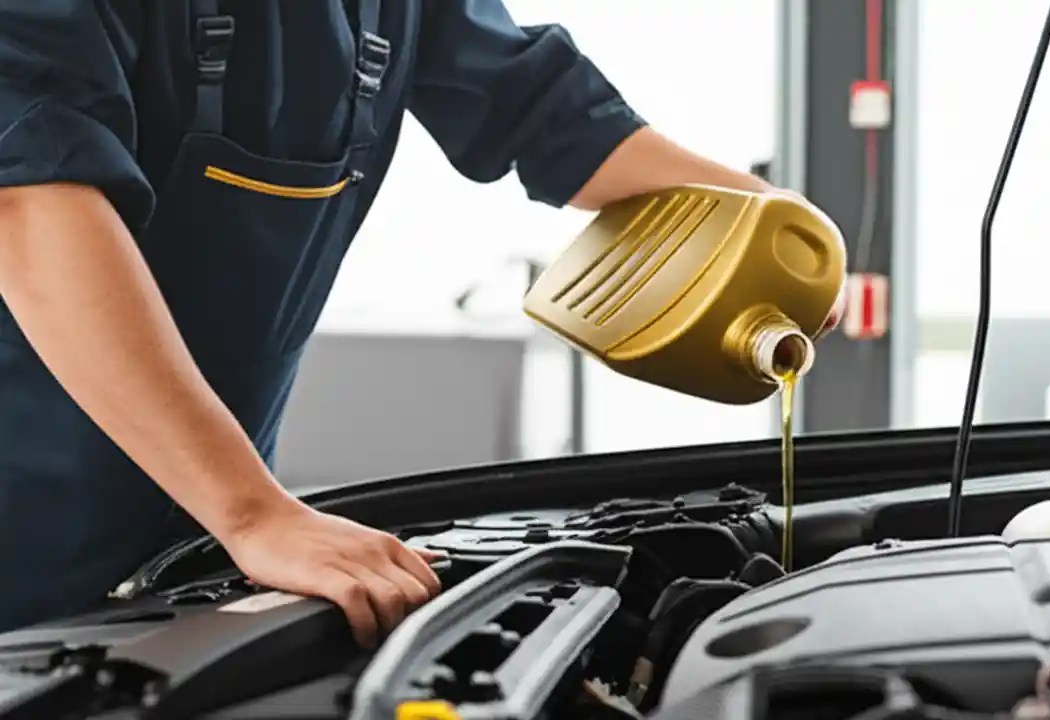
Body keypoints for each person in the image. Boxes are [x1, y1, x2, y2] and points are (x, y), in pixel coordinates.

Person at [0, 0, 842, 643]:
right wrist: (255, 513)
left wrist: (757, 210)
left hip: (199, 529)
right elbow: (29, 203)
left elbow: (539, 110)